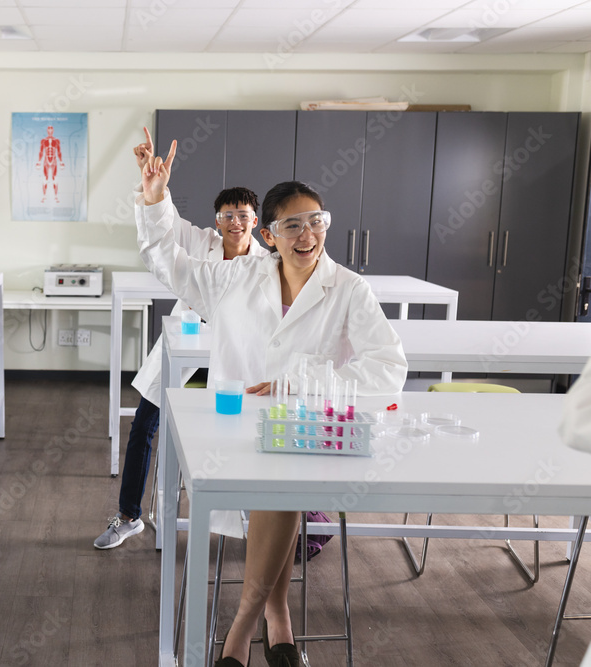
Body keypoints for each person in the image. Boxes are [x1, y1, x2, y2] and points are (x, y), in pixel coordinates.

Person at [136, 143, 407, 667]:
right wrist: (155, 200)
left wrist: (302, 382)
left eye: (316, 222)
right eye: (293, 226)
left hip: (314, 433)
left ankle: (242, 624)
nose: (307, 235)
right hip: (238, 430)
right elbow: (167, 261)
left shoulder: (348, 289)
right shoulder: (237, 279)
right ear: (269, 235)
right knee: (277, 483)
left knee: (283, 478)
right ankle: (278, 615)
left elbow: (388, 370)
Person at [94, 128, 268, 550]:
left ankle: (250, 516)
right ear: (217, 221)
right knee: (145, 426)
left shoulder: (269, 264)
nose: (235, 222)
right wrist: (154, 191)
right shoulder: (202, 243)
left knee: (239, 433)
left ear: (256, 221)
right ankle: (129, 516)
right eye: (227, 215)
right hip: (185, 357)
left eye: (243, 215)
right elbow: (165, 229)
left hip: (236, 365)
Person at [36, 125, 64, 203]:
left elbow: (59, 152)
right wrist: (39, 162)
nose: (50, 132)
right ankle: (44, 196)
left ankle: (55, 197)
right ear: (47, 131)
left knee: (55, 178)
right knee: (45, 178)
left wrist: (61, 162)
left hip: (54, 161)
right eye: (49, 130)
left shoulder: (57, 140)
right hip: (46, 161)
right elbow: (41, 152)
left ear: (53, 131)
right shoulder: (43, 140)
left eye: (51, 130)